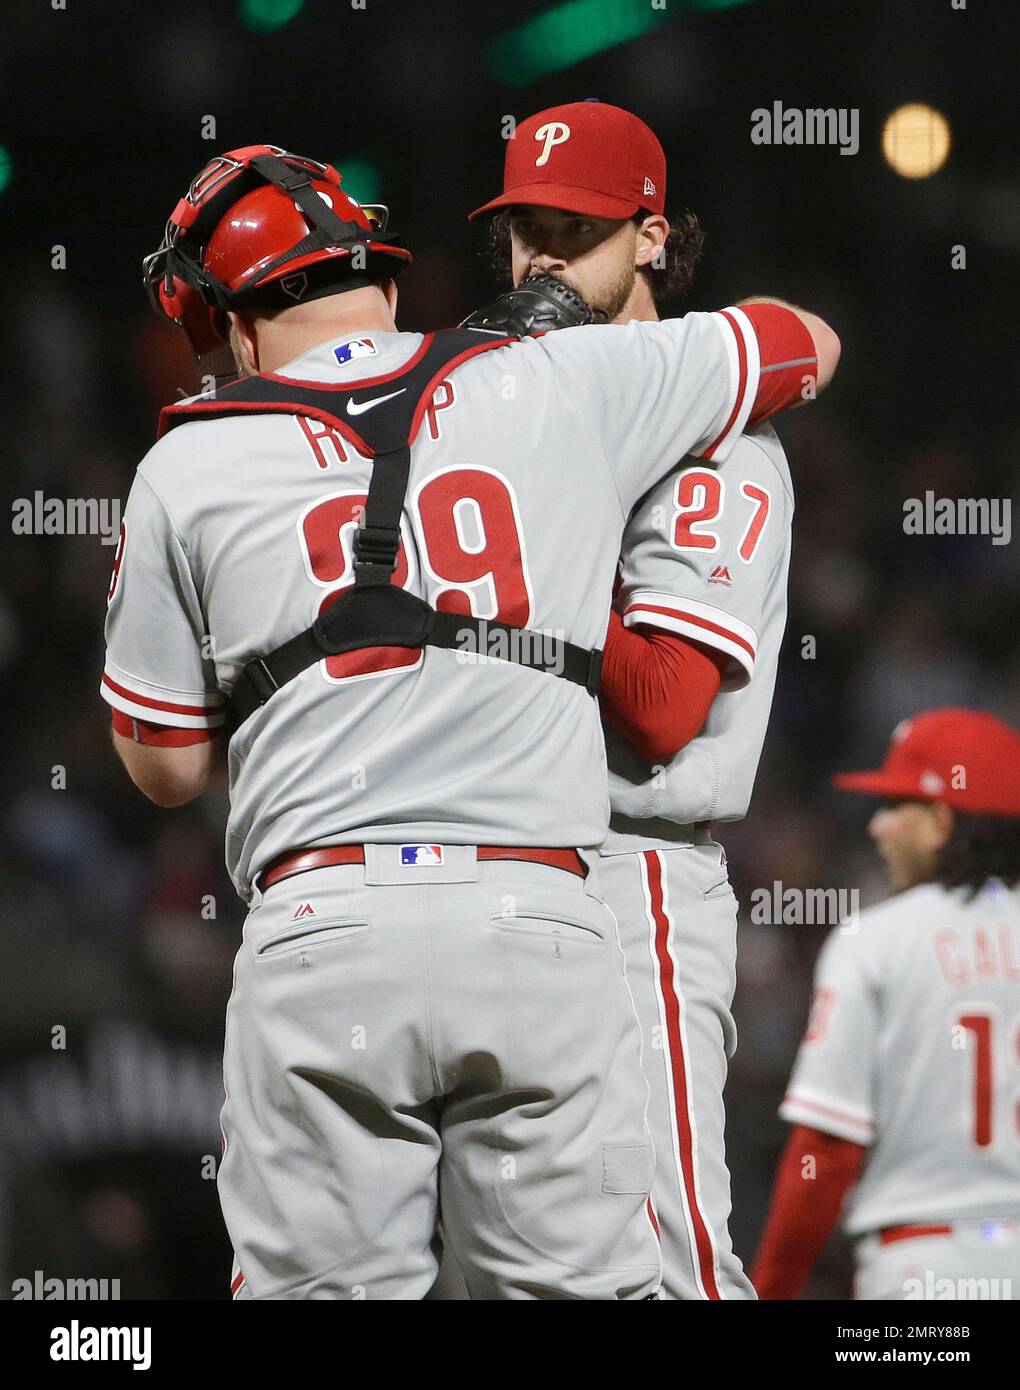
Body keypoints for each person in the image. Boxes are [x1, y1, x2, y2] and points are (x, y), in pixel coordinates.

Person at [105, 143, 838, 1299]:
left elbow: (164, 767)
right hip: (543, 910)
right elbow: (805, 340)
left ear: (229, 328)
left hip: (323, 924)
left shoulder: (186, 464)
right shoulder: (549, 383)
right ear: (389, 281)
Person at [467, 99, 809, 1298]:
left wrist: (526, 556)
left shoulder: (722, 441)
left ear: (654, 238)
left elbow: (664, 705)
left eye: (579, 227)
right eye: (524, 231)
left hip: (632, 871)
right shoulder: (499, 419)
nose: (543, 257)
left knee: (670, 1263)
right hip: (491, 863)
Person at [752, 709, 1020, 1300]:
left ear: (941, 821)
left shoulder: (876, 938)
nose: (877, 826)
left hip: (925, 1267)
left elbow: (825, 1151)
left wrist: (771, 1288)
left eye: (895, 805)